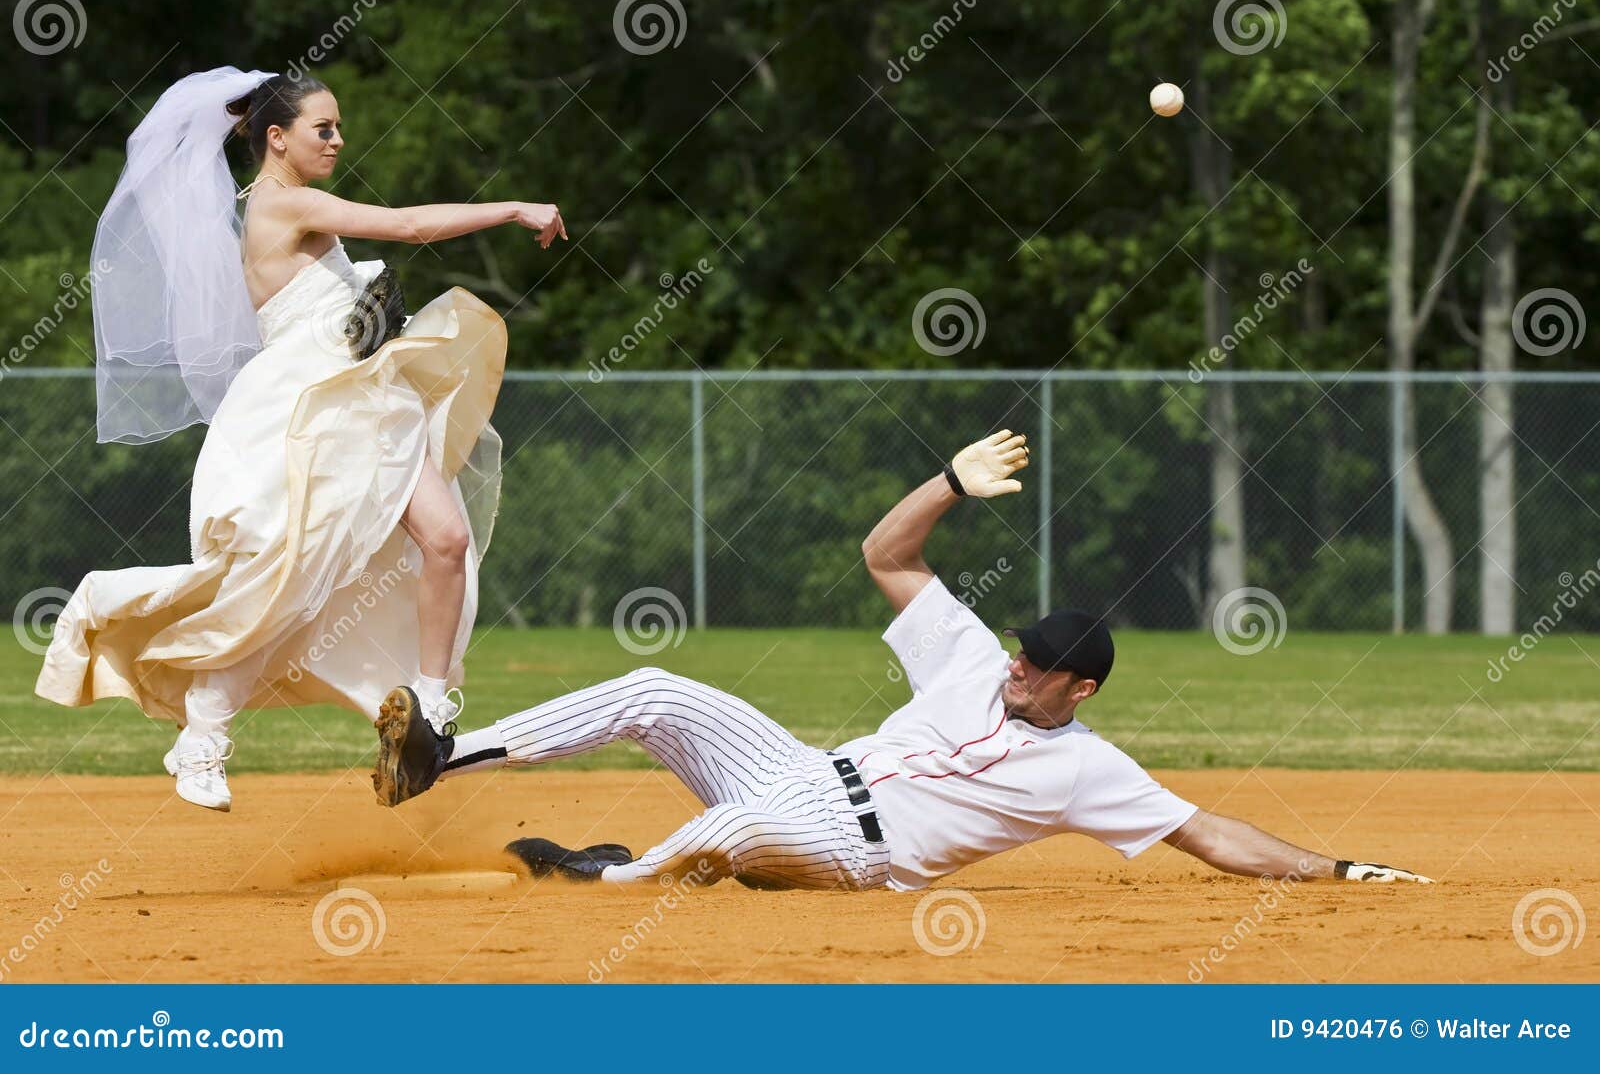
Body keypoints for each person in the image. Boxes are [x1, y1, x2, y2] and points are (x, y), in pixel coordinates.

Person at [371, 430, 1433, 890]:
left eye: (1042, 663)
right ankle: (439, 754)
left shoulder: (1087, 768)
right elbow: (886, 552)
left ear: (1083, 687)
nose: (1020, 664)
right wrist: (948, 484)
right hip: (802, 770)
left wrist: (1331, 867)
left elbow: (1205, 832)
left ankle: (610, 881)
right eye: (1024, 648)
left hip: (855, 851)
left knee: (734, 831)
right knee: (655, 690)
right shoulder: (975, 659)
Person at [34, 65, 566, 812]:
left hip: (368, 400)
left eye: (339, 126)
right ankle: (201, 741)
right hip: (308, 412)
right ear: (276, 138)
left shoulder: (284, 203)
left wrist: (361, 310)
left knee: (446, 542)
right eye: (324, 128)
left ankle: (431, 715)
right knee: (285, 583)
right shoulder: (287, 205)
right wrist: (514, 207)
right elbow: (409, 227)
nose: (339, 139)